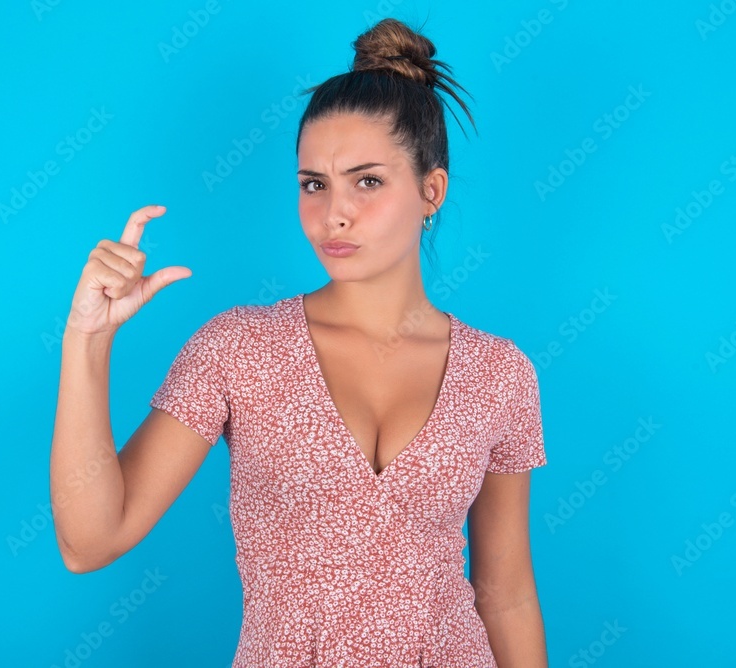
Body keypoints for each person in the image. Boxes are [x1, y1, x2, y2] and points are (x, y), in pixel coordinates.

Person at [50, 17, 548, 668]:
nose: (333, 212)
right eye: (314, 183)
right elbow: (90, 541)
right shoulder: (238, 349)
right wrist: (86, 340)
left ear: (432, 190)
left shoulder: (500, 373)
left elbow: (505, 593)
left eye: (367, 181)